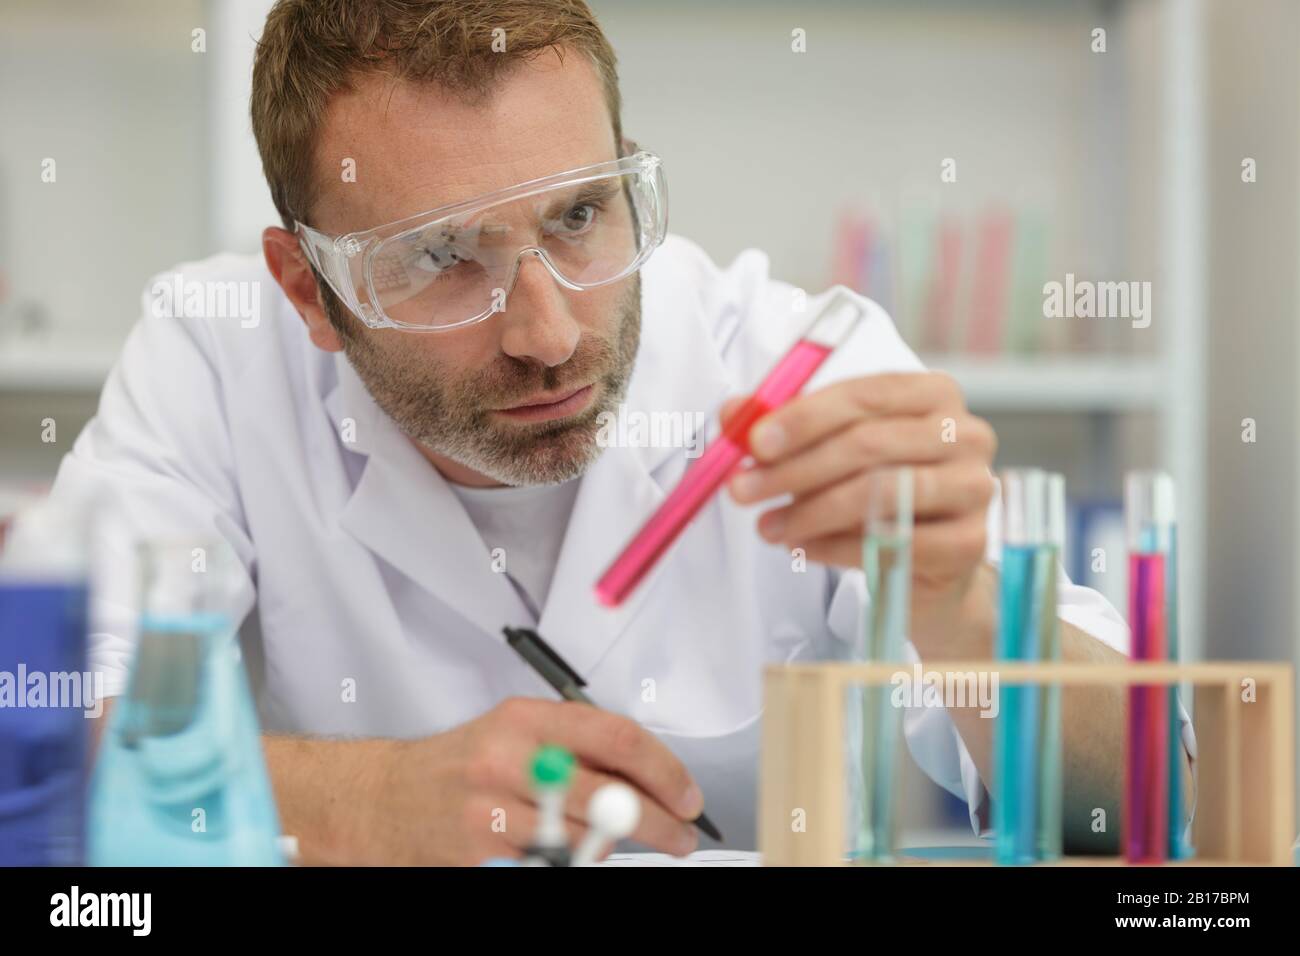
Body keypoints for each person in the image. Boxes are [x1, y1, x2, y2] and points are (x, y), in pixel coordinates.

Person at [55, 0, 1181, 864]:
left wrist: (961, 605)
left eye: (579, 216)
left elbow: (1147, 806)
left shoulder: (789, 362)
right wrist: (371, 798)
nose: (548, 332)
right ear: (308, 289)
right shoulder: (215, 356)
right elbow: (46, 729)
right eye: (444, 258)